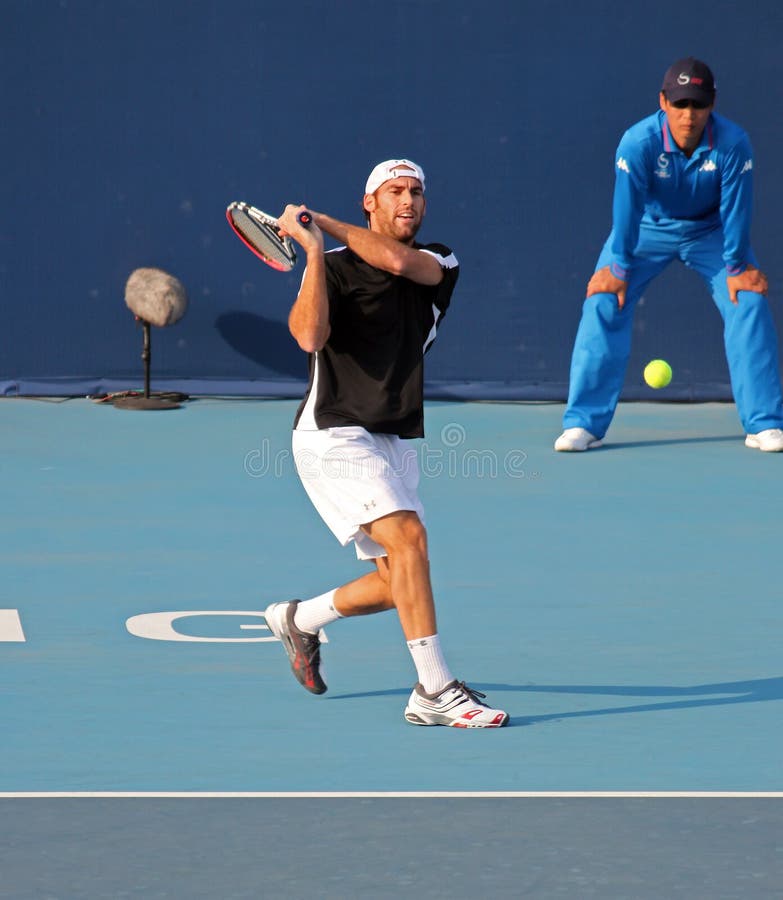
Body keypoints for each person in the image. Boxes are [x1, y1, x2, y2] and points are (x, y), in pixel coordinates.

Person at [263, 159, 508, 728]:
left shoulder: (440, 262)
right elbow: (308, 336)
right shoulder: (330, 269)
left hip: (390, 436)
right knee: (411, 540)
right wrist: (313, 257)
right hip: (332, 433)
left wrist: (317, 221)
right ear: (368, 202)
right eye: (393, 192)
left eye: (416, 192)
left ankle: (300, 619)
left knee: (399, 576)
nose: (408, 201)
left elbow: (398, 261)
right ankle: (434, 689)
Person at [555, 57, 783, 453]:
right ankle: (582, 424)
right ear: (663, 102)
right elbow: (626, 210)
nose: (688, 116)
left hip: (712, 232)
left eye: (697, 105)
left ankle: (764, 423)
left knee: (747, 301)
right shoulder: (637, 142)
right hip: (647, 228)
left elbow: (737, 212)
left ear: (712, 104)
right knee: (604, 299)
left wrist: (735, 267)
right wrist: (620, 267)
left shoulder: (733, 144)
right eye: (680, 105)